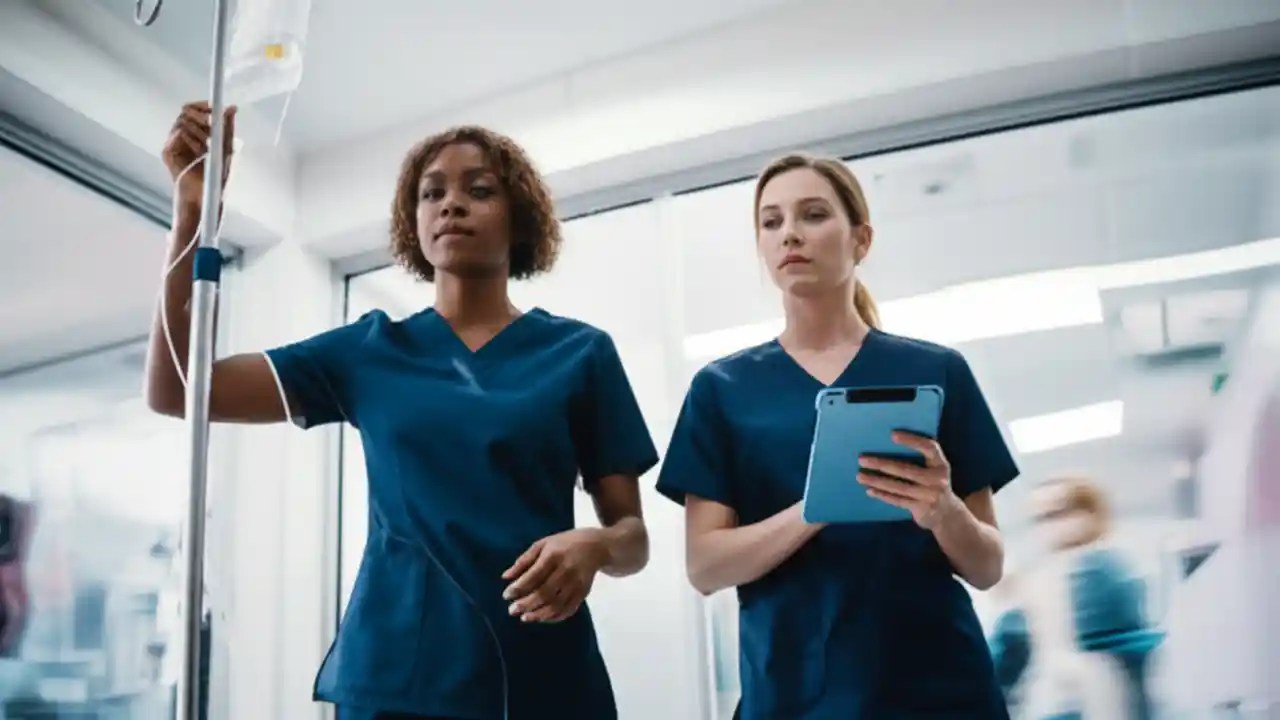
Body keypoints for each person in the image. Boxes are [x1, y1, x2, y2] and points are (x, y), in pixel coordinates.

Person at [145, 102, 659, 720]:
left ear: (519, 217)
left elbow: (633, 538)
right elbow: (178, 388)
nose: (451, 203)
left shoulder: (580, 354)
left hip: (539, 672)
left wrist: (594, 547)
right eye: (431, 192)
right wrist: (193, 214)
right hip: (397, 680)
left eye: (480, 190)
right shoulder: (368, 351)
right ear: (411, 222)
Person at [656, 153, 1020, 719]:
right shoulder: (722, 390)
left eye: (814, 214)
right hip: (795, 691)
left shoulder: (936, 373)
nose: (790, 234)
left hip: (938, 689)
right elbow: (705, 566)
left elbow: (988, 566)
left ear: (861, 240)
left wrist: (944, 510)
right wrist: (818, 506)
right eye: (771, 221)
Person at [1016, 476, 1163, 720]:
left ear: (1089, 512)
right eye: (1041, 518)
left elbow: (1123, 656)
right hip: (1059, 703)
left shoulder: (1106, 565)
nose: (1050, 525)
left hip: (1106, 698)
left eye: (1059, 512)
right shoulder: (1043, 575)